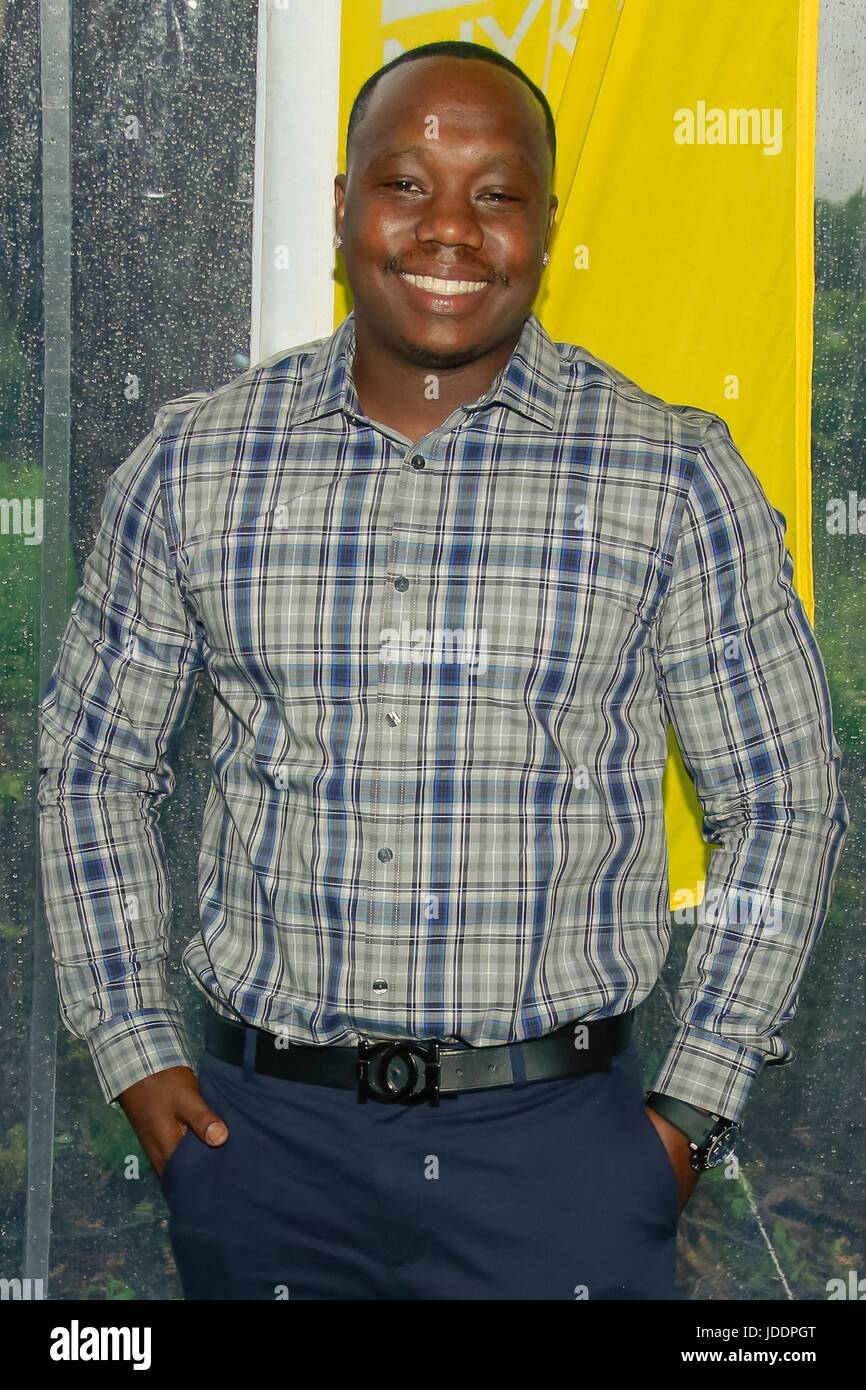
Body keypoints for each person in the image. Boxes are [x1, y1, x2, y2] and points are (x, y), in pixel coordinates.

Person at [37, 40, 849, 1301]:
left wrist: (692, 1110)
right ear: (343, 207)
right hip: (261, 1152)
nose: (449, 229)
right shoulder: (192, 466)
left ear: (546, 224)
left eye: (495, 192)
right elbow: (91, 765)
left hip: (561, 1161)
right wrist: (137, 1054)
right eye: (405, 184)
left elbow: (784, 799)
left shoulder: (672, 476)